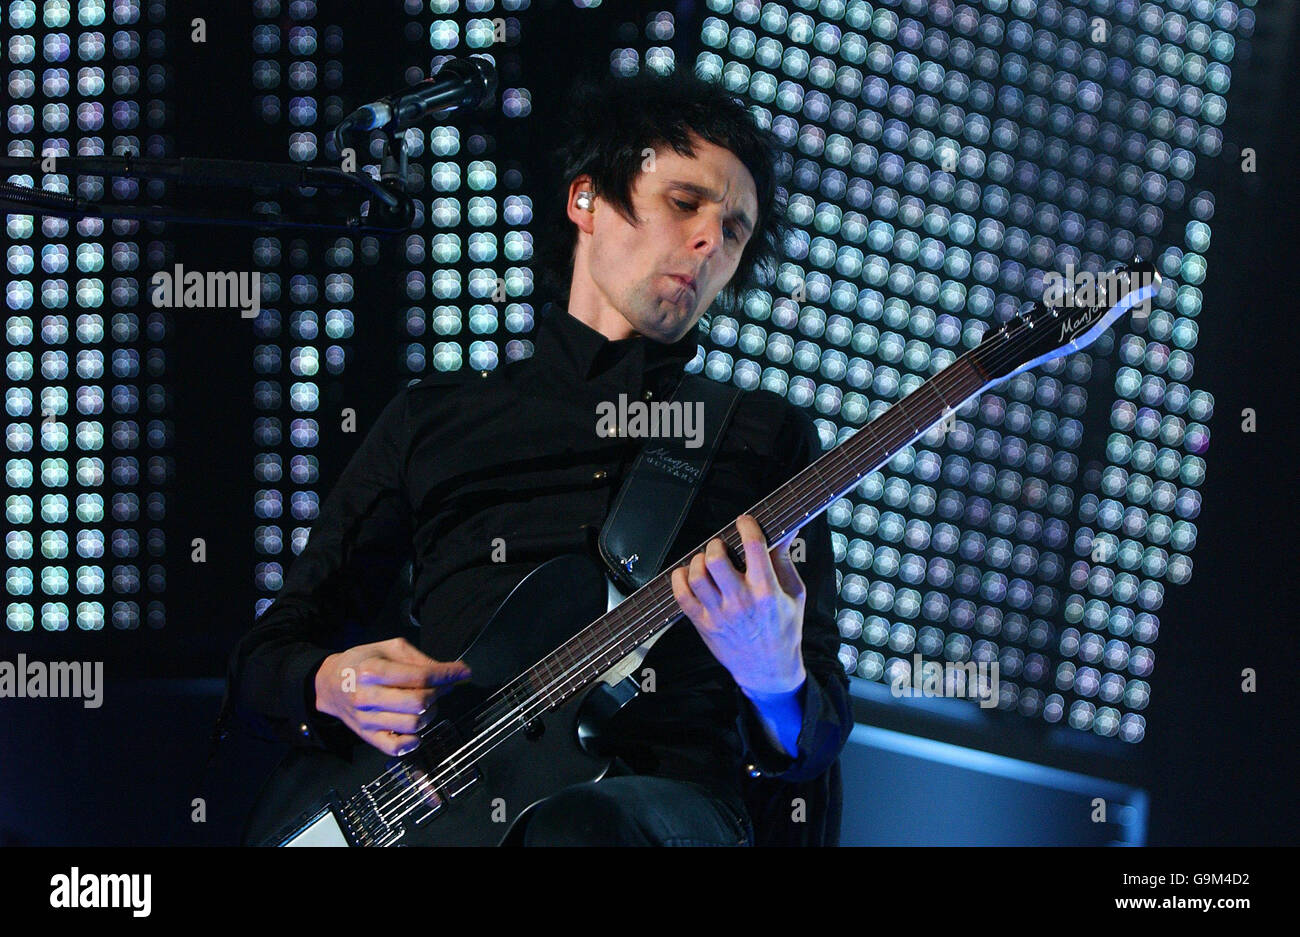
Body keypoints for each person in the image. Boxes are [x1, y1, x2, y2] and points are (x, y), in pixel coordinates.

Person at [225, 69, 853, 846]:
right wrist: (332, 681)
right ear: (585, 200)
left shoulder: (762, 436)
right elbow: (271, 653)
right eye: (685, 202)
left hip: (662, 812)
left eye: (735, 231)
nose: (708, 242)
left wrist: (773, 678)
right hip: (431, 810)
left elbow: (814, 740)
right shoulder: (437, 417)